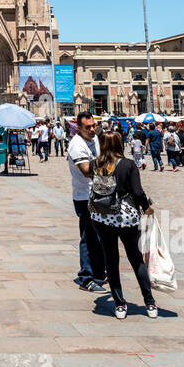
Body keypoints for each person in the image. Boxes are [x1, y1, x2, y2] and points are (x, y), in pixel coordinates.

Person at [88, 130, 158, 319]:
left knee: (111, 260)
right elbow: (137, 191)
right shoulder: (128, 164)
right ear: (120, 144)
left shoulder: (95, 164)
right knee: (135, 258)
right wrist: (147, 207)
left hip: (102, 217)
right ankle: (149, 303)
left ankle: (120, 305)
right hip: (125, 217)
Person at [66, 112, 106, 292]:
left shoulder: (95, 138)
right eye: (87, 127)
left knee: (99, 236)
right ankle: (86, 277)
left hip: (99, 193)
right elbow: (86, 170)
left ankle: (99, 272)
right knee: (88, 237)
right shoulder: (76, 145)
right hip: (85, 196)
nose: (92, 129)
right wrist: (112, 166)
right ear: (78, 128)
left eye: (93, 125)